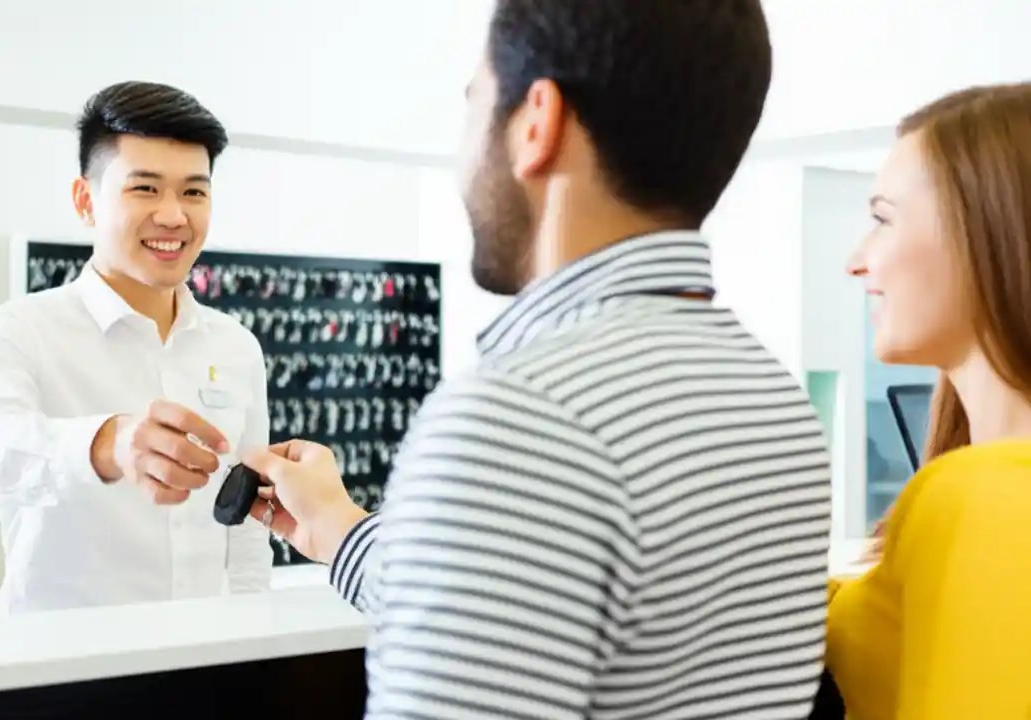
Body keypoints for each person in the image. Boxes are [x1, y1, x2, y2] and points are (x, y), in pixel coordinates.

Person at [243, 1, 833, 717]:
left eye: (474, 108)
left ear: (536, 123)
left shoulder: (519, 418)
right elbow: (540, 625)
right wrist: (340, 531)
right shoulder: (769, 398)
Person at [0, 81, 272, 615]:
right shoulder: (15, 330)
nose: (173, 216)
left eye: (194, 191)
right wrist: (105, 444)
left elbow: (243, 527)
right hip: (61, 673)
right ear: (86, 201)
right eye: (145, 189)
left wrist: (251, 639)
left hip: (205, 665)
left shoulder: (236, 346)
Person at [827, 82, 1031, 719]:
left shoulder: (987, 496)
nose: (857, 261)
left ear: (990, 232)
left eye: (883, 219)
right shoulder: (968, 493)